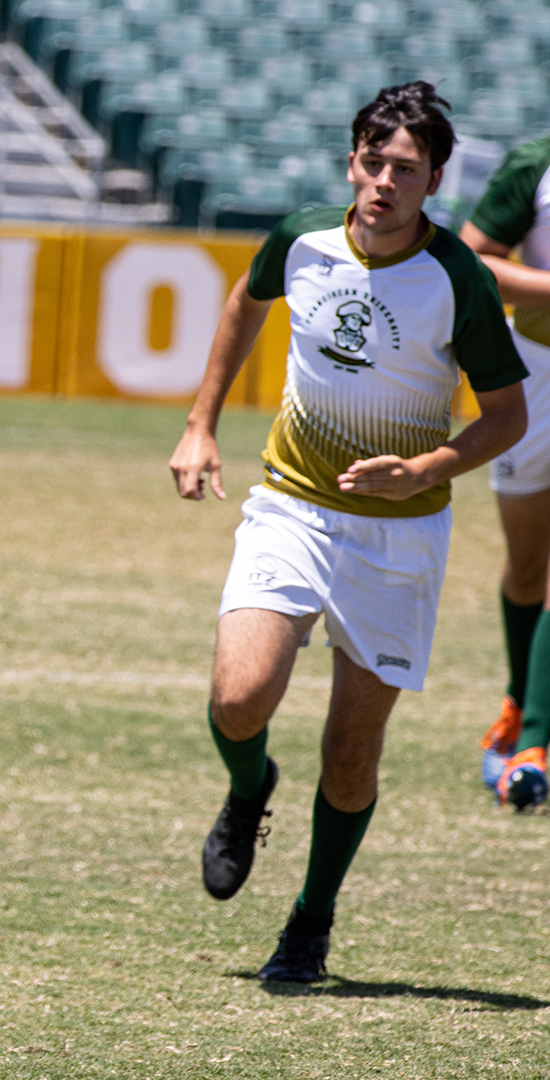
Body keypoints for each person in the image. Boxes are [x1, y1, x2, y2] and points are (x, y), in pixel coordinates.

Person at [167, 82, 528, 983]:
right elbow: (244, 305)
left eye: (405, 169)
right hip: (291, 505)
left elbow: (508, 416)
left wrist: (429, 467)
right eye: (372, 162)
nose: (383, 182)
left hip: (399, 538)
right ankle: (250, 790)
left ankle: (310, 920)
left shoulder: (460, 280)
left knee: (349, 754)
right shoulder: (301, 238)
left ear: (435, 180)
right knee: (239, 699)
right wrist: (201, 422)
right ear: (351, 163)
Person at [458, 134, 550, 809]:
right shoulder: (534, 164)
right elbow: (473, 260)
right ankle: (521, 700)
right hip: (536, 370)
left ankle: (535, 748)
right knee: (527, 567)